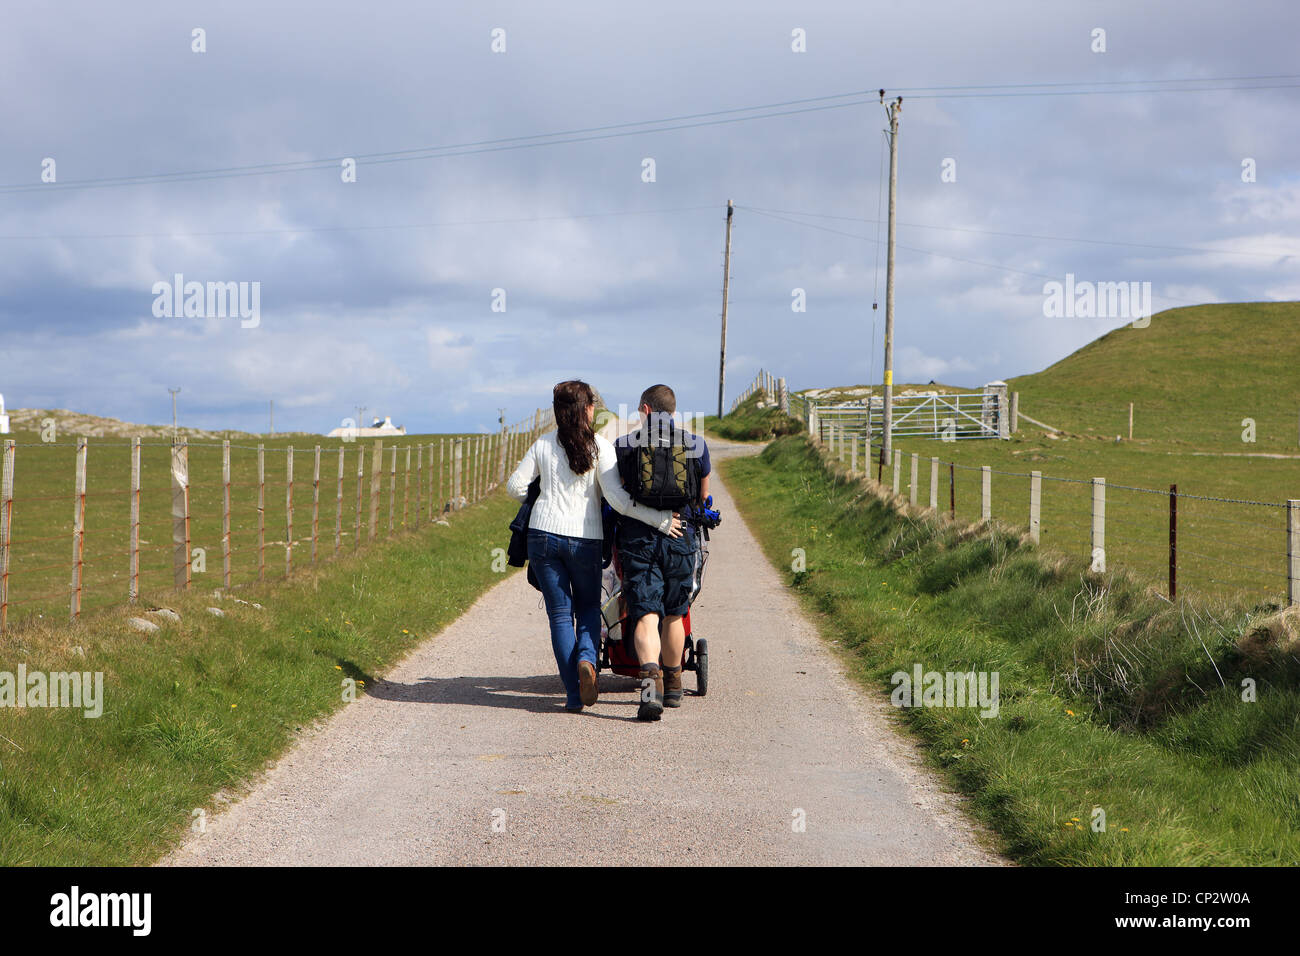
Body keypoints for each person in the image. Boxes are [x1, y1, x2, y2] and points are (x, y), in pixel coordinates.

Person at [507, 381, 682, 713]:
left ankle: (575, 696)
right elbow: (618, 501)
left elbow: (515, 486)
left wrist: (541, 497)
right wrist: (659, 520)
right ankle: (587, 659)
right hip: (585, 539)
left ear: (559, 411)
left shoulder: (542, 444)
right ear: (588, 409)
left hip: (542, 537)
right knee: (588, 609)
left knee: (560, 616)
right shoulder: (601, 447)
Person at [613, 384, 711, 721]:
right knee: (674, 611)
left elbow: (620, 496)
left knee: (645, 614)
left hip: (639, 537)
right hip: (680, 535)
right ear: (672, 410)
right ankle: (673, 684)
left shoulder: (625, 445)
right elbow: (701, 500)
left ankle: (650, 687)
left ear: (645, 409)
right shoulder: (696, 445)